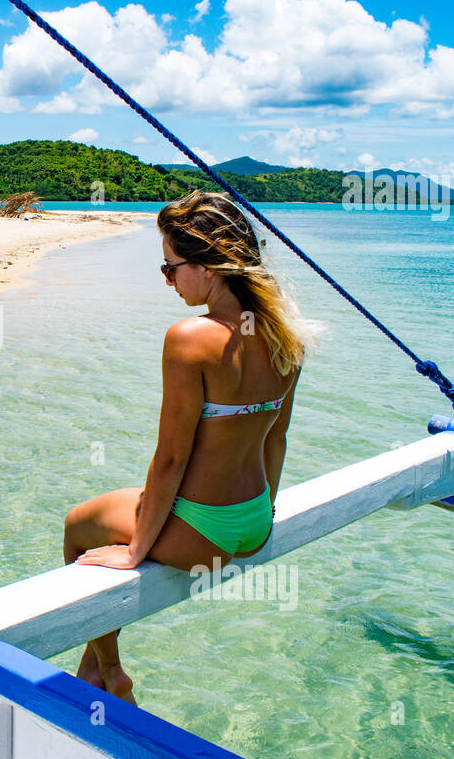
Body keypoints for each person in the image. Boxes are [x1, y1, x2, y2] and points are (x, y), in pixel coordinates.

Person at [63, 189, 320, 704]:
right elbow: (278, 438)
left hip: (203, 535)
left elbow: (172, 459)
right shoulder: (285, 334)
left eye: (170, 267)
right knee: (128, 506)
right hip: (253, 521)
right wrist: (263, 514)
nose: (168, 280)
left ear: (208, 266)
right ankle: (90, 672)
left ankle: (111, 670)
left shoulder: (191, 337)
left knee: (77, 525)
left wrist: (135, 551)